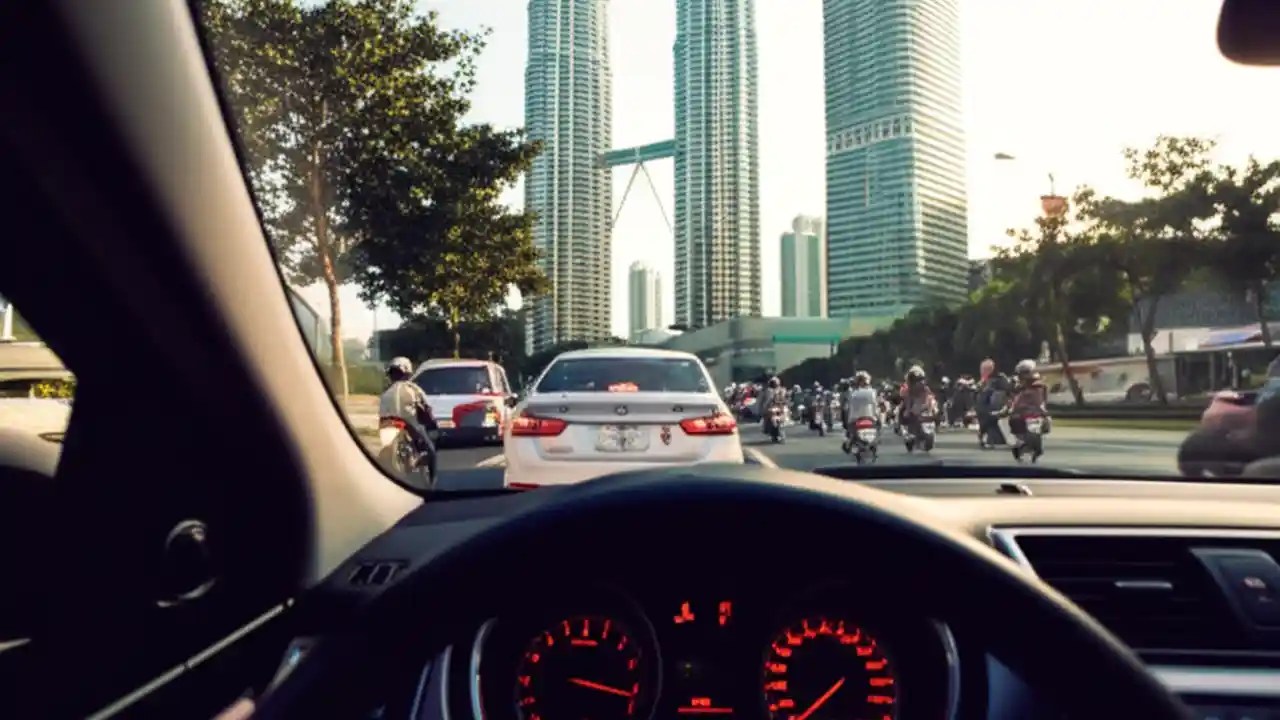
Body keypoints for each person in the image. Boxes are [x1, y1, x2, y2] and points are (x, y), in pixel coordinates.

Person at [378, 356, 438, 480]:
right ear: (408, 372)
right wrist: (432, 423)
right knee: (430, 449)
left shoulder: (385, 392)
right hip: (408, 423)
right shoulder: (413, 388)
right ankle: (433, 481)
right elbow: (427, 407)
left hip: (385, 424)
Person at [1007, 358, 1049, 436]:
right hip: (1038, 417)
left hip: (1029, 417)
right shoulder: (1040, 386)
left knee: (1014, 420)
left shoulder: (1034, 387)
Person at [842, 371, 880, 453]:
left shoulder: (852, 393)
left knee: (850, 434)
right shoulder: (872, 392)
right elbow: (875, 406)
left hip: (855, 418)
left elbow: (847, 408)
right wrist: (876, 417)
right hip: (870, 417)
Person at [900, 365, 937, 433]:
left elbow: (931, 399)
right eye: (915, 380)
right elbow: (907, 403)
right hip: (916, 410)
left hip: (924, 409)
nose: (918, 383)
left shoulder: (925, 390)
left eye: (919, 380)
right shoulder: (909, 392)